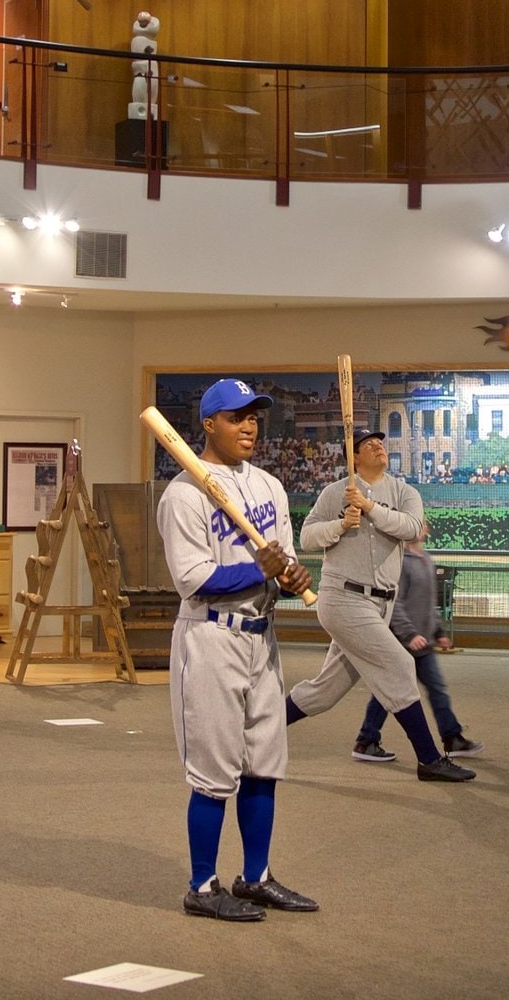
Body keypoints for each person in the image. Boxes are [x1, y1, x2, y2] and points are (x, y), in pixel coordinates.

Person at [157, 379, 318, 922]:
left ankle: (256, 877)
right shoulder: (183, 493)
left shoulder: (271, 486)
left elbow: (283, 556)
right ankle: (202, 885)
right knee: (213, 770)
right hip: (210, 637)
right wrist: (258, 568)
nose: (249, 425)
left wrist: (291, 575)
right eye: (235, 417)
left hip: (261, 636)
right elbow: (193, 578)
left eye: (254, 415)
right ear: (208, 424)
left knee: (263, 764)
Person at [283, 430, 476, 782]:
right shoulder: (333, 493)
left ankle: (253, 732)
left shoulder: (404, 492)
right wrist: (341, 524)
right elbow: (307, 538)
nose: (379, 446)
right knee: (401, 664)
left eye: (380, 443)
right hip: (342, 597)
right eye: (369, 444)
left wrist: (370, 508)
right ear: (354, 457)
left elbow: (411, 526)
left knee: (325, 692)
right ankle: (429, 759)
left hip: (381, 605)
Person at [354, 533, 481, 763]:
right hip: (403, 643)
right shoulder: (400, 562)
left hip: (424, 643)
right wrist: (409, 634)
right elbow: (396, 603)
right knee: (388, 693)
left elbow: (427, 604)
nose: (422, 526)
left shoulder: (425, 559)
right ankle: (366, 740)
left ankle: (452, 738)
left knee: (436, 689)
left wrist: (438, 632)